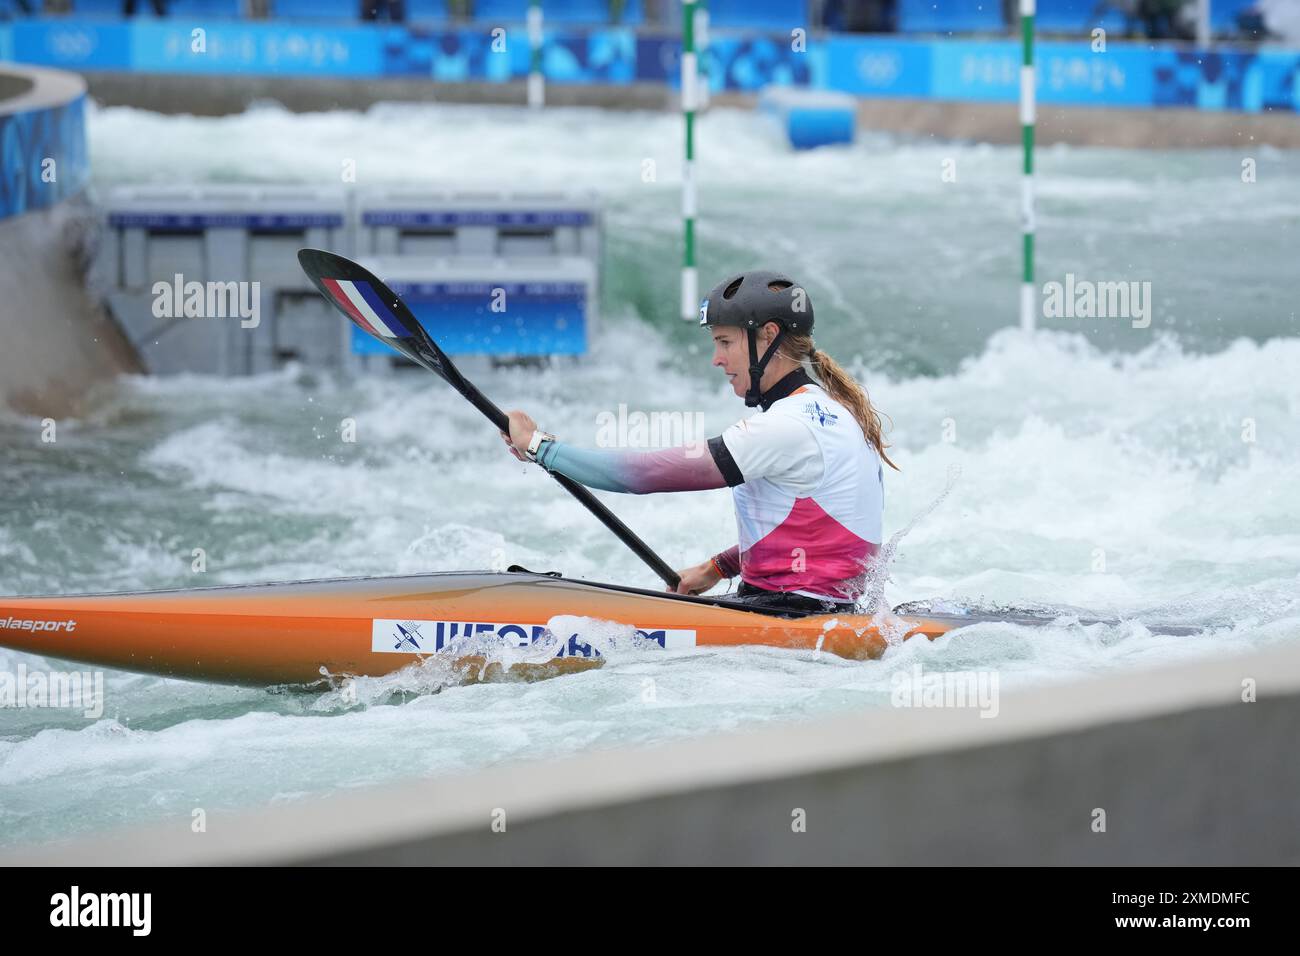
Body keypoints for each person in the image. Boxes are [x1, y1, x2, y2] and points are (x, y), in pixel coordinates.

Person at [501, 270, 898, 614]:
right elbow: (817, 537)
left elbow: (640, 477)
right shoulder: (839, 412)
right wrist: (717, 568)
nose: (716, 359)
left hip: (785, 627)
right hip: (825, 616)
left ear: (769, 337)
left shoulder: (786, 427)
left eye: (725, 342)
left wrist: (540, 446)